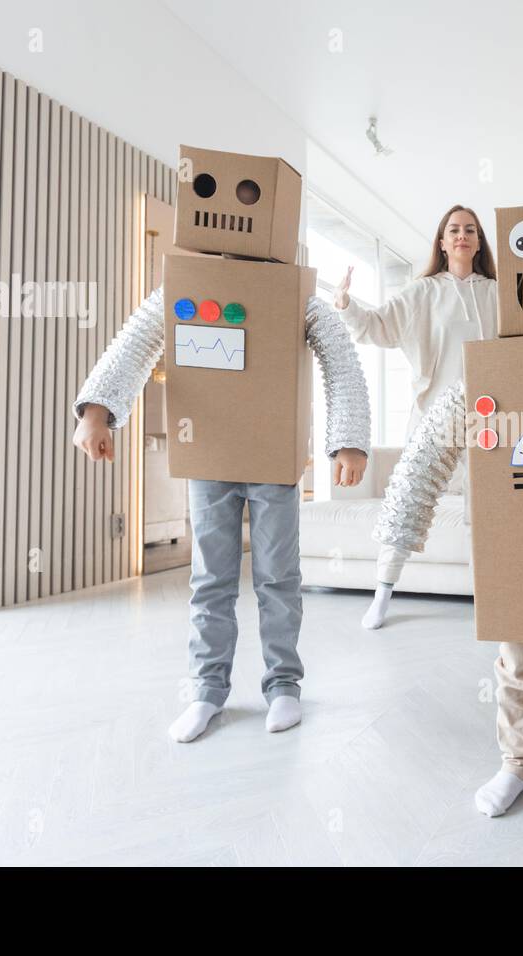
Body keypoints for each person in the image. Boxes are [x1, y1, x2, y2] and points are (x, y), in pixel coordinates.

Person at [72, 291, 369, 742]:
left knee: (278, 576)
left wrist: (349, 439)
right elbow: (137, 340)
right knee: (210, 578)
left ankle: (283, 685)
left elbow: (340, 358)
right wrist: (95, 412)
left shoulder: (296, 294)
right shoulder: (188, 286)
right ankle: (206, 690)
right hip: (209, 451)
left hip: (273, 453)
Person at [334, 205, 498, 629]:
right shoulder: (423, 292)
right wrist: (346, 304)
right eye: (454, 230)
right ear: (442, 242)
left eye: (470, 230)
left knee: (487, 510)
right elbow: (377, 326)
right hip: (433, 419)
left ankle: (490, 600)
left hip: (489, 420)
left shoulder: (498, 294)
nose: (462, 235)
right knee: (406, 506)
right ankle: (382, 595)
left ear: (479, 242)